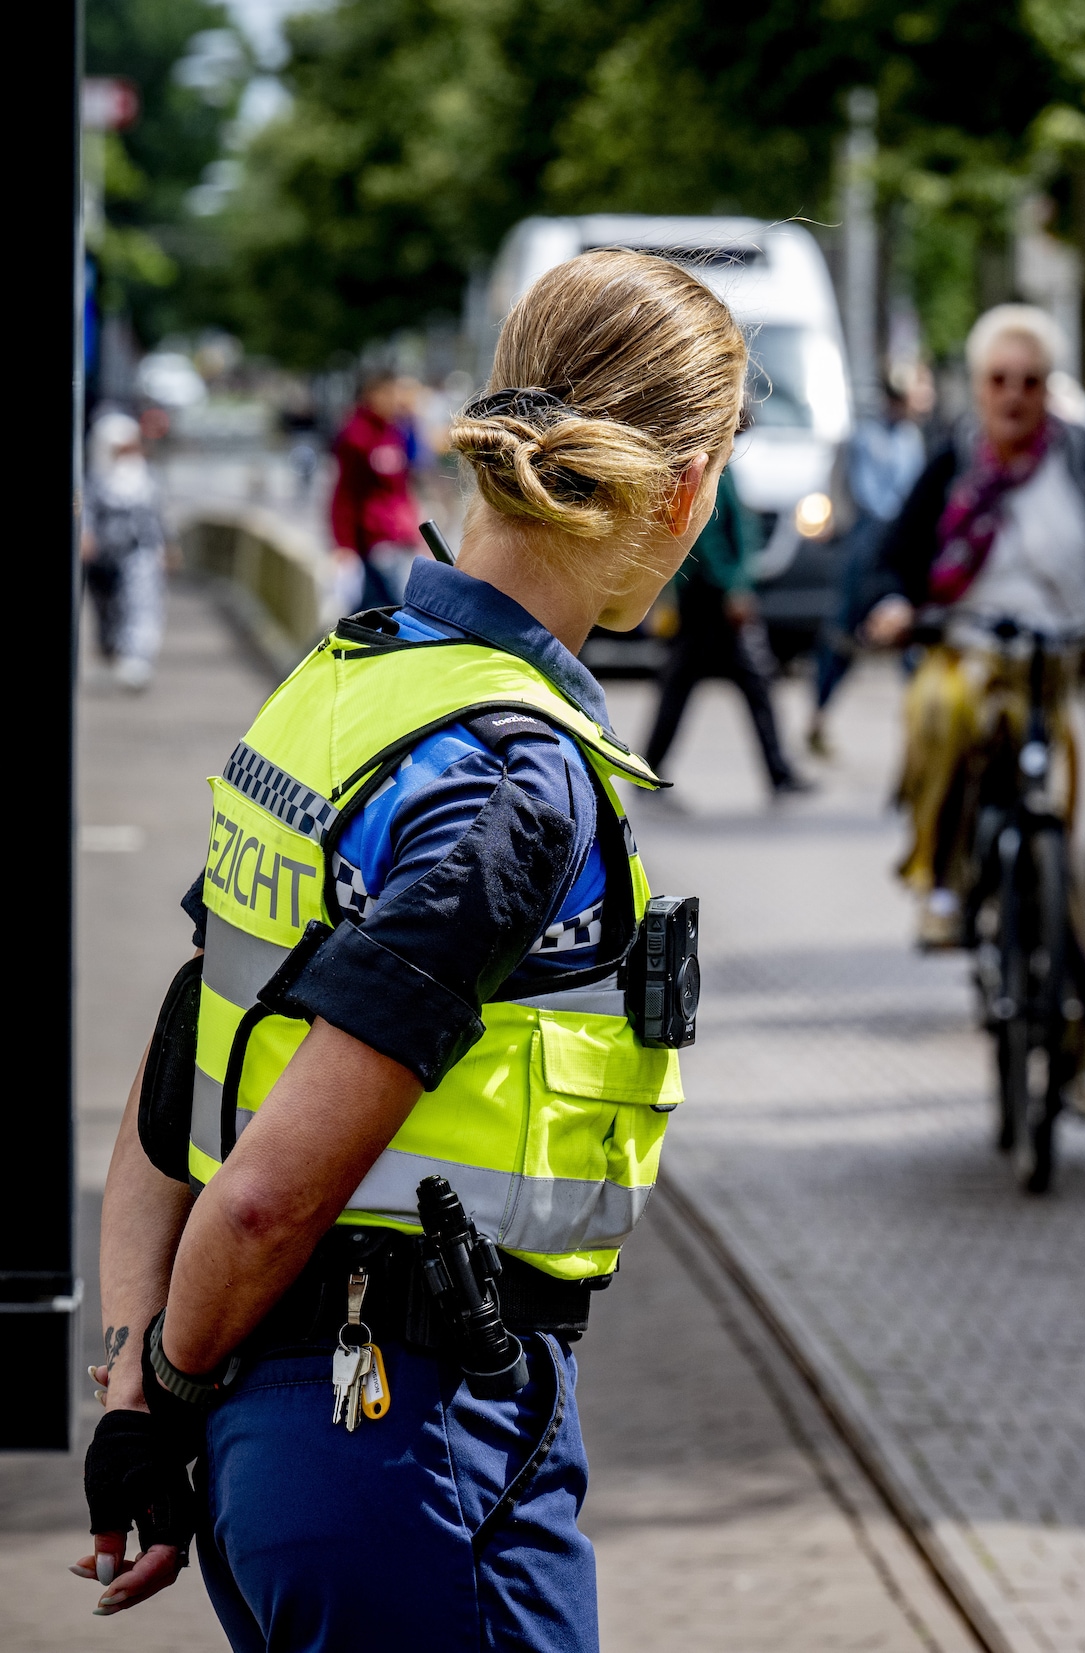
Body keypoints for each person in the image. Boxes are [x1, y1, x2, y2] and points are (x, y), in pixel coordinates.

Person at [74, 248, 739, 1647]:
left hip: (295, 1434)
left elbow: (191, 1042)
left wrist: (142, 1386)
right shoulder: (515, 777)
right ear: (684, 492)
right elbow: (263, 1196)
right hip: (411, 1444)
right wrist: (178, 1389)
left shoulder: (349, 679)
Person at [863, 305, 1085, 1117]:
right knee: (936, 707)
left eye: (1031, 382)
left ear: (1052, 390)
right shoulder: (951, 468)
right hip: (971, 651)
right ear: (976, 388)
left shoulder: (1084, 462)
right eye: (999, 381)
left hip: (1075, 665)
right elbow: (887, 561)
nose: (1014, 396)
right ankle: (942, 878)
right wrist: (887, 605)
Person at [643, 460, 811, 797]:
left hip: (716, 594)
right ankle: (650, 770)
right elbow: (707, 535)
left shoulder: (725, 468)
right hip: (708, 598)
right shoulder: (707, 469)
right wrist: (733, 587)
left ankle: (777, 770)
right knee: (704, 682)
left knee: (735, 683)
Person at [809, 370, 931, 757]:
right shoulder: (866, 437)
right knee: (844, 632)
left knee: (911, 632)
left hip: (899, 545)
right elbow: (868, 494)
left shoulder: (911, 438)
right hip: (868, 545)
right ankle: (818, 717)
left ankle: (924, 724)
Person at [85, 408, 168, 691]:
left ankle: (137, 660)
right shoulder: (95, 479)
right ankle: (111, 656)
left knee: (141, 605)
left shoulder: (147, 478)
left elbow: (157, 515)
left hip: (140, 552)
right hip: (105, 557)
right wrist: (86, 536)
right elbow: (88, 511)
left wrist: (167, 546)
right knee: (107, 609)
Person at [330, 371, 423, 611]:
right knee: (391, 605)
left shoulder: (394, 433)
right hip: (373, 536)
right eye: (389, 394)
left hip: (397, 533)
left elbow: (404, 484)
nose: (395, 400)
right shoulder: (356, 435)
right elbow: (345, 493)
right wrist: (344, 543)